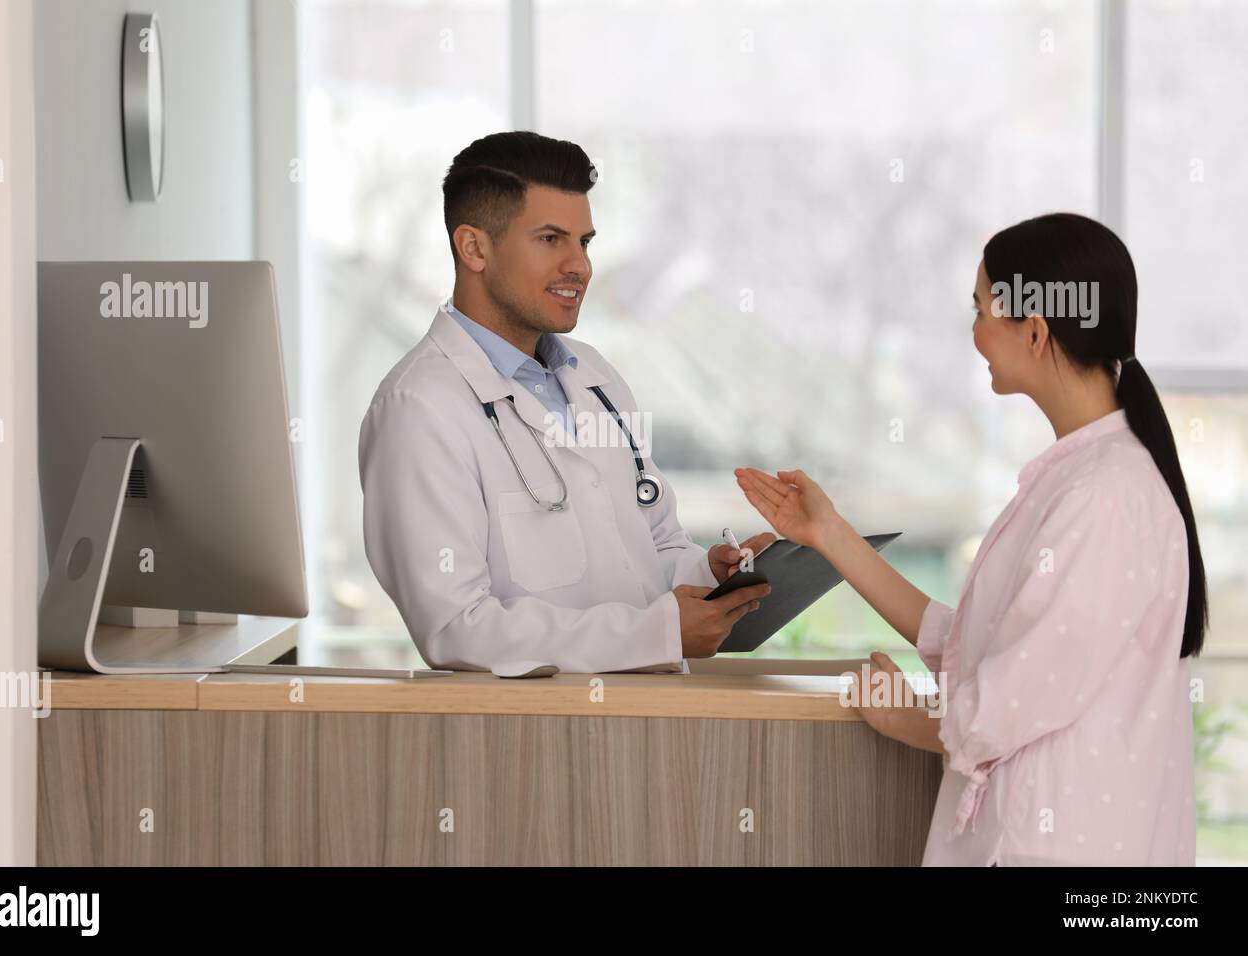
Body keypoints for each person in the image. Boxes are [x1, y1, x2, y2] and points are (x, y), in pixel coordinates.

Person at [737, 212, 1204, 865]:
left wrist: (900, 712)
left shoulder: (1105, 495)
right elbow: (976, 648)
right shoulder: (1081, 478)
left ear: (1035, 331)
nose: (975, 331)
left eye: (982, 308)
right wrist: (829, 534)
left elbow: (1003, 705)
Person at [359, 131, 772, 674]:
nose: (580, 266)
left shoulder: (594, 376)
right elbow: (456, 628)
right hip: (539, 744)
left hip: (654, 725)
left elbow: (653, 544)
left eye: (585, 242)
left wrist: (708, 577)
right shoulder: (418, 408)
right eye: (552, 239)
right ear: (474, 247)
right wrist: (655, 633)